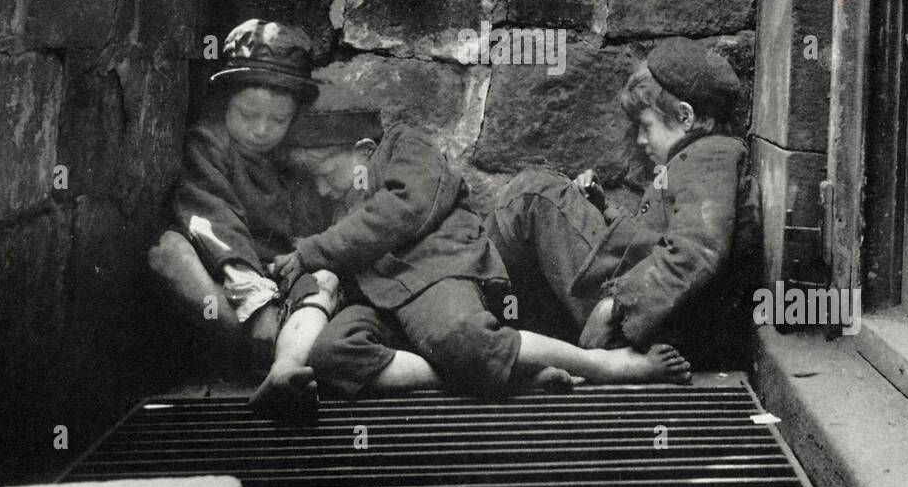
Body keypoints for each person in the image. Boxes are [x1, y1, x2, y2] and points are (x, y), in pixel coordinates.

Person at [271, 87, 691, 404]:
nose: (321, 189)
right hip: (383, 301)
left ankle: (603, 365)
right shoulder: (331, 203)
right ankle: (509, 376)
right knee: (331, 357)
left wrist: (315, 250)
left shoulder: (404, 147)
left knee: (462, 337)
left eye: (326, 174)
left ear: (364, 150)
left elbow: (406, 208)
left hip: (433, 271)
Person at [487, 38, 760, 368]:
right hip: (652, 312)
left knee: (533, 196)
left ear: (685, 116)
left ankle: (479, 332)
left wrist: (616, 304)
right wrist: (604, 209)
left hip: (645, 321)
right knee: (538, 194)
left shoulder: (710, 157)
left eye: (646, 126)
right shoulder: (699, 158)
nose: (641, 140)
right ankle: (503, 339)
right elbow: (659, 237)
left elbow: (697, 251)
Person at [146, 19, 332, 419]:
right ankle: (256, 355)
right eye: (248, 114)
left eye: (278, 120)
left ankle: (284, 362)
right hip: (229, 283)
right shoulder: (210, 143)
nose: (261, 130)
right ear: (226, 102)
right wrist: (255, 301)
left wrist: (290, 285)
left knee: (326, 281)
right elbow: (212, 219)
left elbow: (309, 238)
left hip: (283, 288)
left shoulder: (295, 159)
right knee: (168, 251)